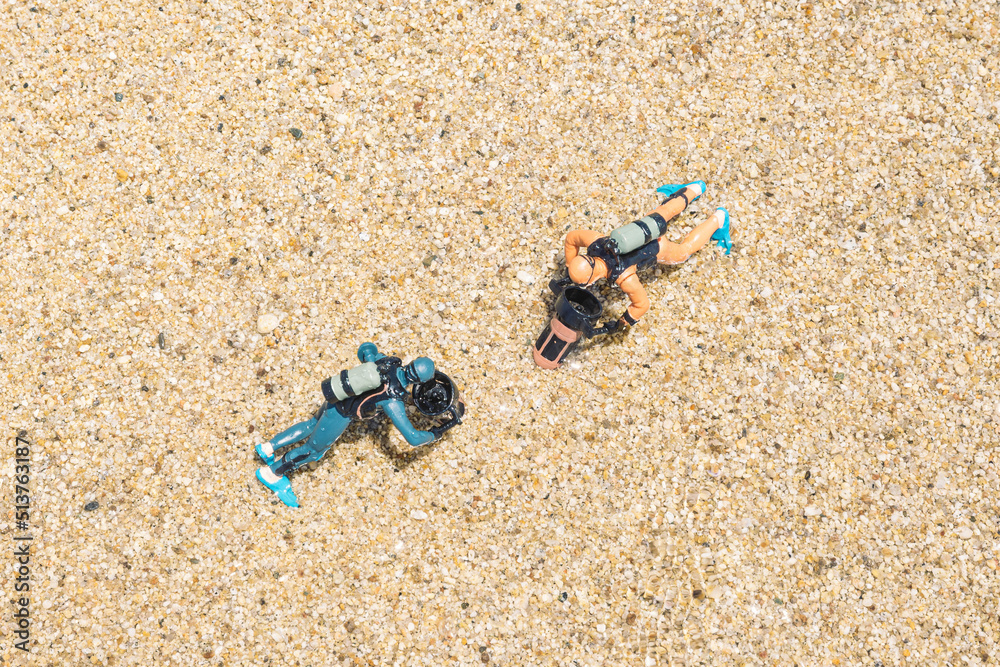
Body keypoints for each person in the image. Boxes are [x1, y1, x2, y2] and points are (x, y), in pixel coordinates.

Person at [254, 342, 441, 507]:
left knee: (311, 424)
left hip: (337, 397)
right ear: (419, 381)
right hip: (341, 415)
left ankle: (268, 448)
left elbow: (367, 350)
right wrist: (434, 434)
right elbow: (413, 438)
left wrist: (369, 353)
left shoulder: (388, 362)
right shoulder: (394, 400)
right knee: (314, 450)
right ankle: (273, 473)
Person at [562, 180, 732, 333]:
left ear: (590, 281)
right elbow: (571, 238)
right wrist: (571, 264)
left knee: (683, 251)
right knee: (664, 211)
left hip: (658, 248)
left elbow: (642, 304)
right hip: (645, 227)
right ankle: (694, 188)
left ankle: (719, 220)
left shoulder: (624, 277)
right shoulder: (596, 242)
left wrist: (622, 323)